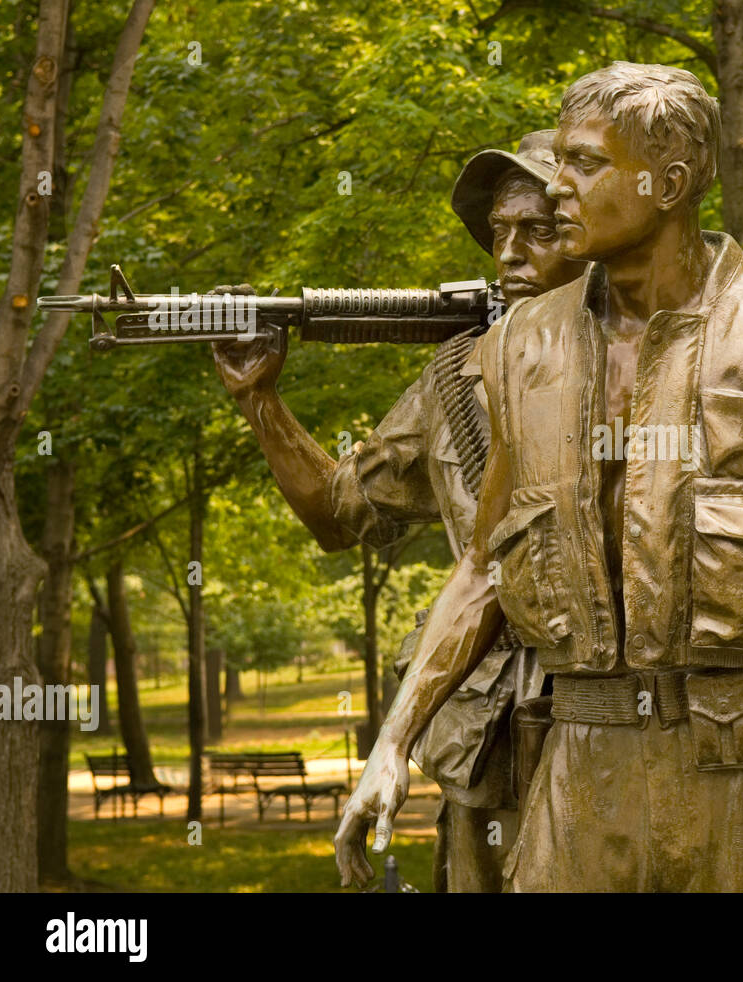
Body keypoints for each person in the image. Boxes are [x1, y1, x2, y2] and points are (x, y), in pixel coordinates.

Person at [334, 61, 743, 892]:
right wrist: (392, 743)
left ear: (666, 183)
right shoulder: (519, 349)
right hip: (580, 772)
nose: (557, 188)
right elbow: (485, 565)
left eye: (583, 163)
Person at [212, 130, 585, 892]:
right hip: (492, 736)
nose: (510, 253)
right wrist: (261, 402)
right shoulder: (452, 378)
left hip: (618, 720)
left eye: (538, 231)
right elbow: (336, 513)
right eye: (499, 232)